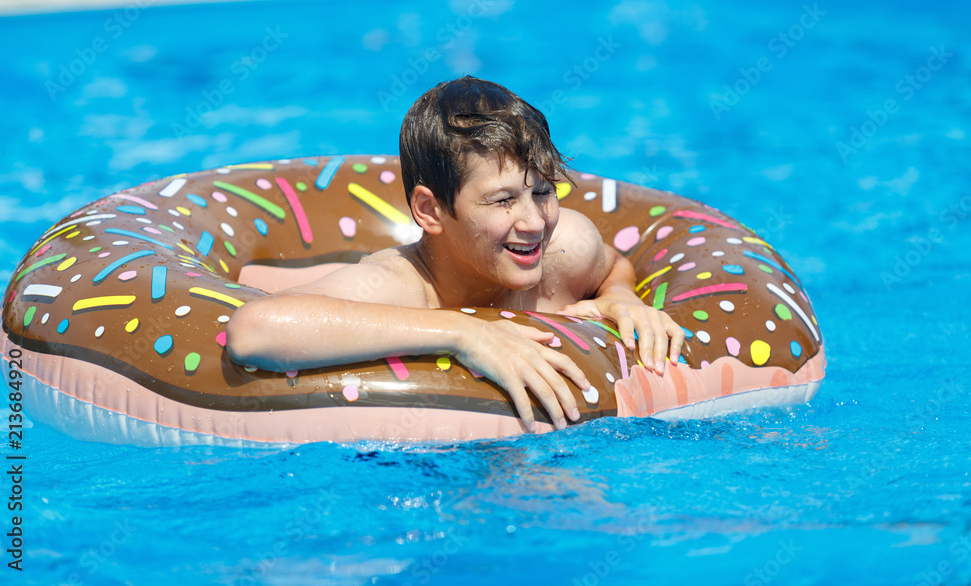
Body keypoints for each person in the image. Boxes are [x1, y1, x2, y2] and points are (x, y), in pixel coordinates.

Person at [227, 76, 684, 432]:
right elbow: (252, 330)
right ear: (430, 210)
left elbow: (613, 265)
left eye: (542, 192)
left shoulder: (564, 249)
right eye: (503, 200)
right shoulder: (401, 288)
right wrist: (464, 333)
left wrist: (622, 298)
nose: (533, 222)